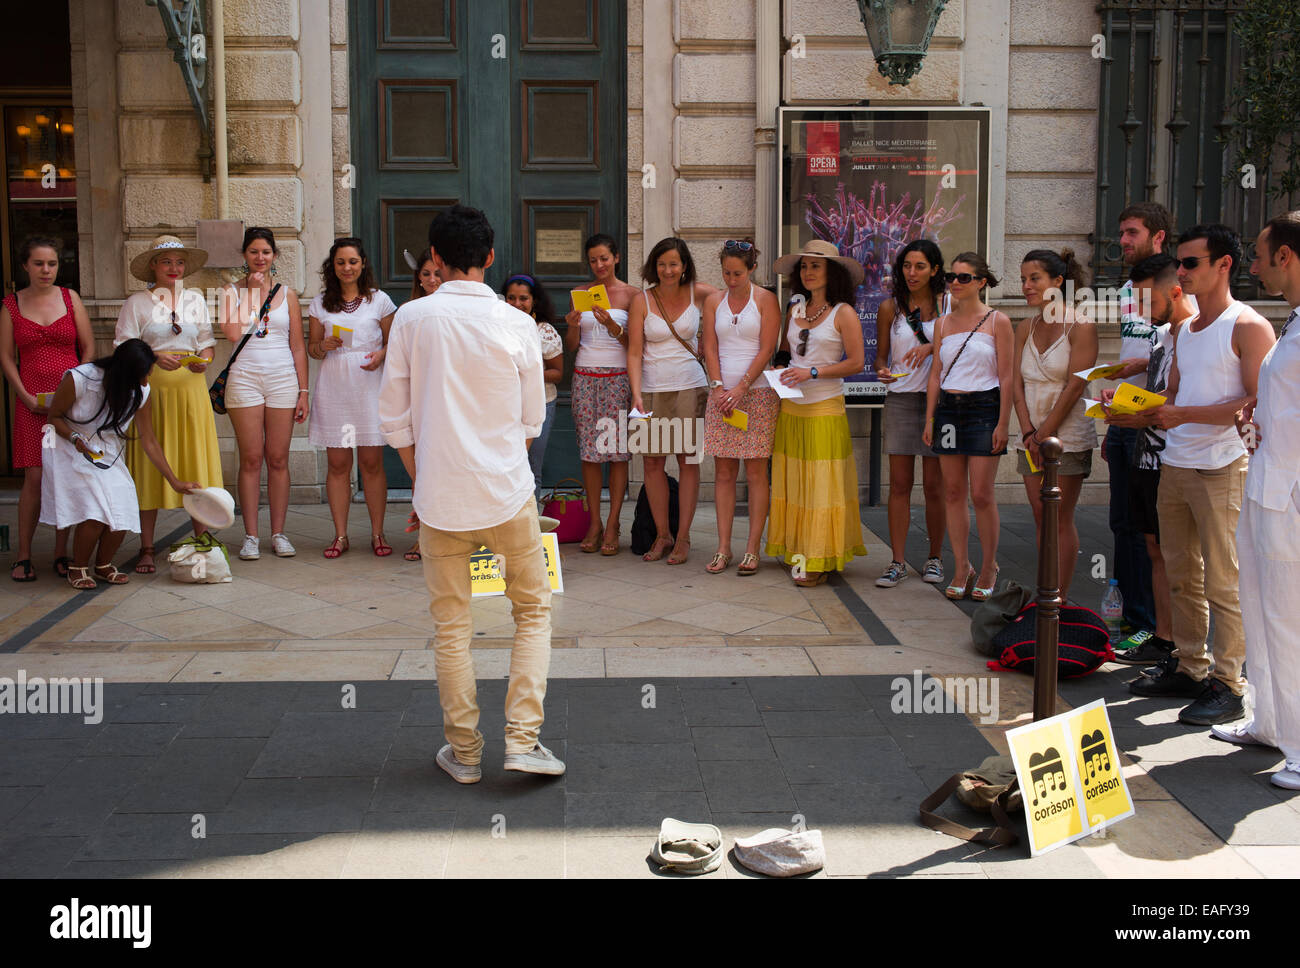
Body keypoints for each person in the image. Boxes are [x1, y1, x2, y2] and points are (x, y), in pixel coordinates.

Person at [379, 203, 561, 782]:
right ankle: (522, 742)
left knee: (451, 625)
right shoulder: (518, 324)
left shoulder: (411, 318)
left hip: (441, 500)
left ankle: (464, 753)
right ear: (488, 258)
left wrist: (422, 481)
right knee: (531, 613)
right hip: (508, 493)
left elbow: (394, 422)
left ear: (434, 257)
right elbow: (533, 419)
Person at [1128, 224, 1276, 726]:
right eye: (1181, 263)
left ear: (1223, 265)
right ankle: (1192, 668)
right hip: (1176, 461)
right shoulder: (1184, 331)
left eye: (1191, 263)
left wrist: (1182, 415)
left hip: (1222, 465)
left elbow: (1258, 402)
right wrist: (1125, 406)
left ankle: (1231, 685)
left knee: (1223, 579)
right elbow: (1172, 396)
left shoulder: (1247, 325)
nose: (1183, 272)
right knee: (1181, 573)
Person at [1213, 211, 1300, 788]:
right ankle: (1270, 721)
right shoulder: (1293, 321)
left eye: (1263, 255)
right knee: (1262, 607)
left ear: (1288, 257)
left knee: (1290, 617)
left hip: (1292, 492)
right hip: (1268, 482)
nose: (1257, 266)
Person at [40, 339, 198, 589]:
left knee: (123, 504)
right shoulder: (80, 378)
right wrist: (75, 438)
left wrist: (174, 481)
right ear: (126, 373)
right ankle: (78, 567)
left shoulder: (140, 390)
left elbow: (150, 441)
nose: (147, 381)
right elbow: (54, 417)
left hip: (106, 450)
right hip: (67, 445)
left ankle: (103, 565)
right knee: (96, 510)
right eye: (144, 375)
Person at [1103, 254, 1194, 664]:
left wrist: (1127, 415)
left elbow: (1180, 405)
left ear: (1175, 290)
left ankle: (1189, 649)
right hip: (1146, 454)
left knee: (1181, 556)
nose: (1140, 312)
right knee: (1153, 547)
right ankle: (1163, 636)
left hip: (1177, 461)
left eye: (1146, 302)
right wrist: (1121, 406)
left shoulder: (1196, 333)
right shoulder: (1162, 335)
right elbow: (1159, 393)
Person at [115, 234, 223, 574]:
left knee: (194, 460)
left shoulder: (196, 299)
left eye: (179, 262)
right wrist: (154, 357)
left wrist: (204, 360)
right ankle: (146, 547)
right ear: (153, 266)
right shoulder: (137, 302)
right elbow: (123, 346)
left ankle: (202, 539)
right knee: (150, 463)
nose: (173, 268)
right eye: (166, 262)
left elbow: (207, 342)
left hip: (191, 389)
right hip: (152, 388)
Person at [765, 239, 867, 587]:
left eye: (816, 266)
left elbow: (856, 362)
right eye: (805, 266)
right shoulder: (794, 309)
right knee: (796, 482)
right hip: (792, 406)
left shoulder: (844, 313)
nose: (808, 272)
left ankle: (821, 555)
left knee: (822, 486)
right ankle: (803, 550)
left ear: (831, 272)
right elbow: (784, 350)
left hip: (824, 407)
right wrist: (780, 368)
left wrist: (812, 372)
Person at [1, 237, 93, 581]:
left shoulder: (71, 299)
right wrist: (23, 395)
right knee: (35, 477)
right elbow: (6, 356)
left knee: (63, 475)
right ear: (25, 266)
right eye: (38, 263)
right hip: (31, 403)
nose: (45, 270)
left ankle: (60, 552)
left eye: (51, 264)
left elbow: (87, 349)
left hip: (69, 402)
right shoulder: (11, 305)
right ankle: (23, 555)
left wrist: (77, 390)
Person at [923, 252, 1014, 601]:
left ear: (980, 282)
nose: (955, 283)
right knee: (952, 492)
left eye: (963, 277)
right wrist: (930, 417)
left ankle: (989, 565)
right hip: (950, 407)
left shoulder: (997, 321)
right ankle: (962, 565)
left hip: (984, 407)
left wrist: (1004, 422)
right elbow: (935, 375)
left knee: (981, 493)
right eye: (951, 276)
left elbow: (1006, 376)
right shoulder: (942, 324)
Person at [1011, 248, 1098, 602]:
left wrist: (1046, 430)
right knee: (1039, 516)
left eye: (1035, 278)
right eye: (1023, 279)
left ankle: (1056, 600)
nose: (1027, 285)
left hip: (1068, 435)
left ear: (1058, 281)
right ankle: (1045, 591)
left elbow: (1076, 384)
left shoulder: (1082, 325)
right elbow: (1015, 382)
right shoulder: (1024, 327)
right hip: (1030, 436)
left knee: (1059, 517)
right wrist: (1029, 430)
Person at [218, 227, 310, 561]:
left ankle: (279, 533)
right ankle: (251, 536)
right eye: (254, 252)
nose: (260, 258)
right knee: (252, 458)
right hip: (244, 378)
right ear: (245, 255)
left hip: (283, 378)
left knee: (278, 458)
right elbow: (230, 333)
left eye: (266, 252)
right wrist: (253, 297)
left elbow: (298, 345)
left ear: (274, 256)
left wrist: (303, 390)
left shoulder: (288, 294)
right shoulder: (230, 291)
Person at [1106, 203, 1175, 644]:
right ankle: (1133, 617)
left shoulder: (1173, 287)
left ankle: (1152, 625)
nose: (1123, 242)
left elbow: (1172, 349)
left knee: (1151, 532)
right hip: (1123, 421)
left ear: (1159, 236)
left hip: (1157, 428)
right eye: (1122, 233)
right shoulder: (1127, 289)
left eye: (1132, 233)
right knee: (1122, 524)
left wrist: (1143, 361)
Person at [627, 237, 718, 565]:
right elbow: (634, 351)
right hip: (651, 389)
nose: (668, 270)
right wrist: (636, 393)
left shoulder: (700, 292)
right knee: (651, 463)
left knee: (687, 461)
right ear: (655, 265)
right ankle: (663, 534)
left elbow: (734, 299)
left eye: (674, 264)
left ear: (684, 266)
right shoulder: (643, 299)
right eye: (662, 264)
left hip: (689, 387)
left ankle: (683, 538)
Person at [307, 237, 397, 559]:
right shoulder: (320, 303)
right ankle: (340, 535)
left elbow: (395, 343)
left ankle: (377, 532)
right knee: (338, 464)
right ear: (333, 266)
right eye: (341, 262)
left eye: (353, 262)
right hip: (335, 387)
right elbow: (312, 350)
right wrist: (324, 347)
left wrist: (380, 356)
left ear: (363, 265)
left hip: (369, 384)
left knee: (372, 463)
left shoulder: (380, 300)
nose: (347, 268)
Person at [700, 239, 780, 575]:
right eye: (726, 273)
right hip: (721, 398)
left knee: (757, 472)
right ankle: (723, 547)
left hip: (757, 394)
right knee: (723, 472)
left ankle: (752, 549)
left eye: (737, 273)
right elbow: (710, 346)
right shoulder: (713, 301)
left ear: (751, 270)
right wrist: (718, 387)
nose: (731, 279)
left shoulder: (765, 300)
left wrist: (742, 386)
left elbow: (767, 348)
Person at [872, 239, 947, 588]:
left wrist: (933, 345)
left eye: (919, 266)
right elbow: (881, 357)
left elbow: (963, 343)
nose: (912, 273)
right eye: (906, 266)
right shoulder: (891, 307)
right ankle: (897, 561)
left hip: (940, 401)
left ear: (934, 269)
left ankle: (935, 559)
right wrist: (882, 371)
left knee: (935, 486)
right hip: (901, 397)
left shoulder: (948, 304)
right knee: (900, 484)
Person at [563, 233, 638, 554]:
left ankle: (614, 522)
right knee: (590, 454)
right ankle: (594, 521)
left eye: (604, 258)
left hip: (619, 377)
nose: (599, 265)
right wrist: (573, 325)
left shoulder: (632, 295)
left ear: (616, 258)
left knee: (618, 453)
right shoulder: (581, 293)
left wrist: (613, 327)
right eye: (593, 260)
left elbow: (636, 346)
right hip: (584, 376)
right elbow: (572, 346)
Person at [396, 250, 441, 563]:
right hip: (417, 397)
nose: (432, 280)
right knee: (419, 473)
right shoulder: (408, 312)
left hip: (445, 398)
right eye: (425, 274)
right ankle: (423, 536)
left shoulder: (452, 311)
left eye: (437, 273)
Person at [503, 274, 565, 489]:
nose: (517, 304)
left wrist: (527, 372)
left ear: (534, 301)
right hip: (505, 405)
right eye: (511, 298)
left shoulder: (544, 332)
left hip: (541, 403)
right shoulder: (496, 327)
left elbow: (557, 373)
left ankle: (532, 522)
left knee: (531, 467)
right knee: (505, 466)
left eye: (523, 298)